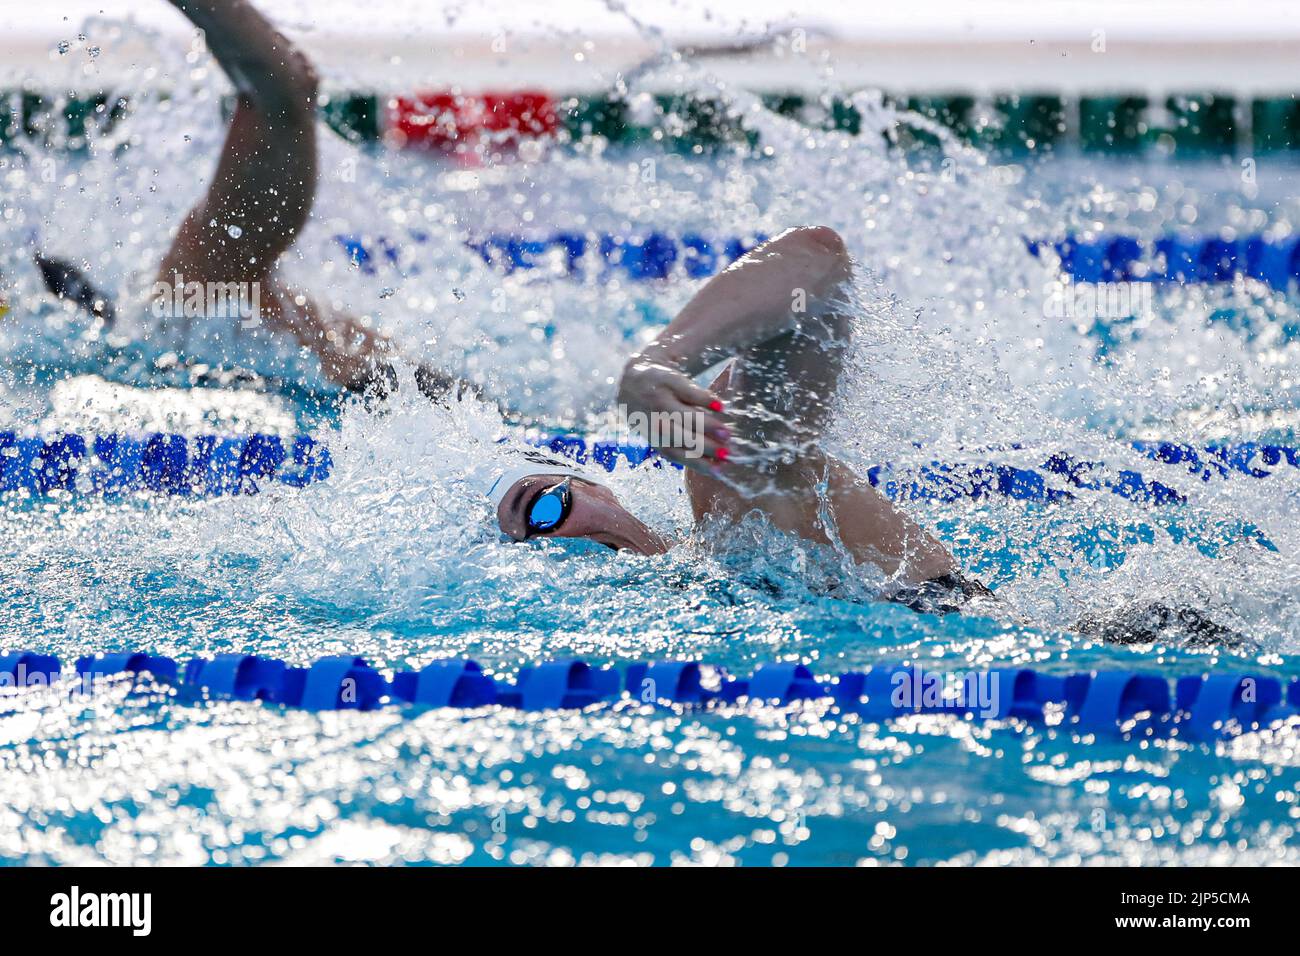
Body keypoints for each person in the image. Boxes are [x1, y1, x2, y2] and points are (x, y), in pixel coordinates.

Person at [482, 224, 996, 612]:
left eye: (543, 509)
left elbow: (816, 262)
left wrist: (660, 363)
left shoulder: (734, 503)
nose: (555, 546)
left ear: (595, 487)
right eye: (527, 549)